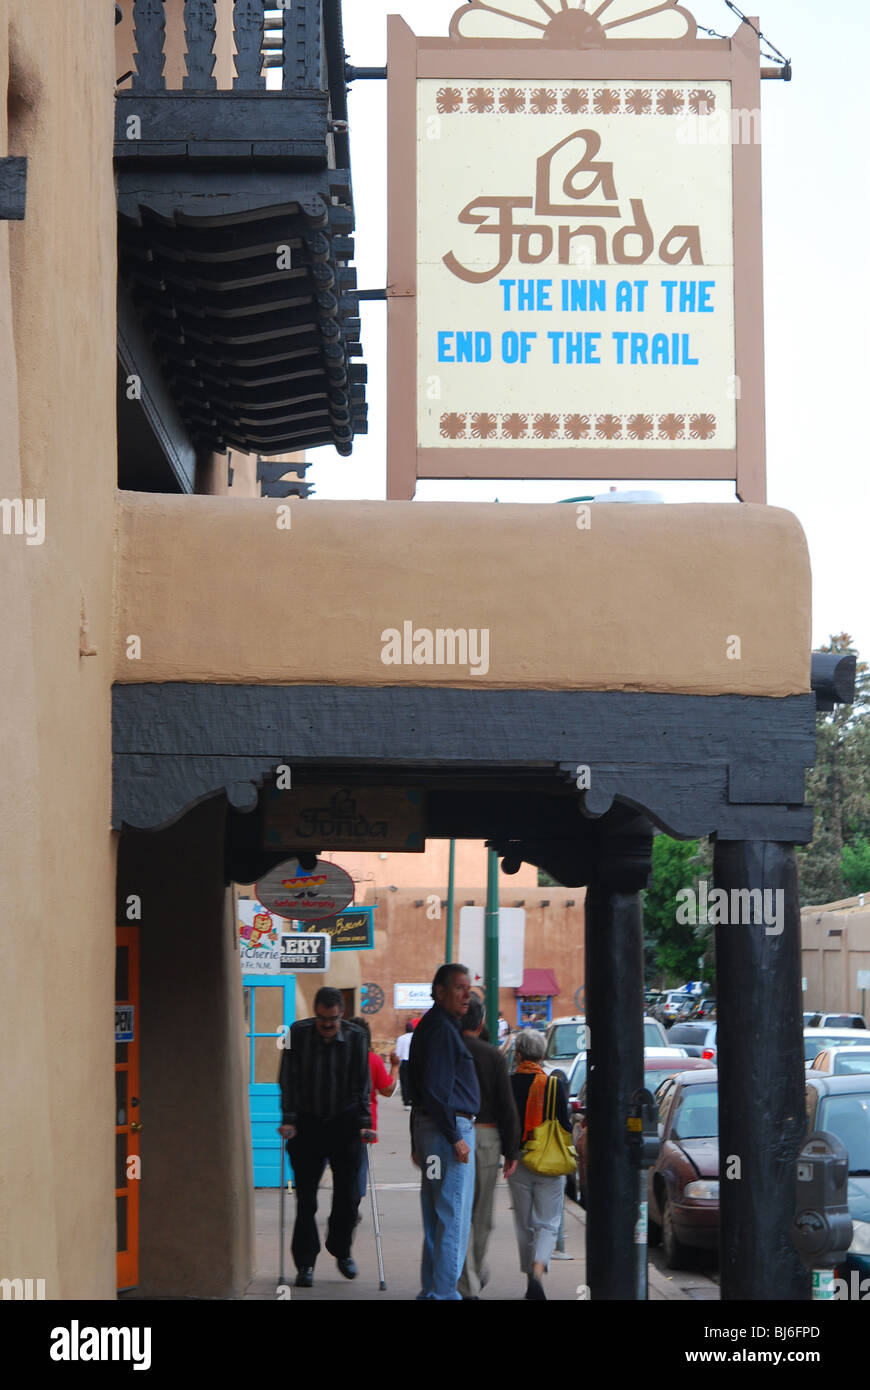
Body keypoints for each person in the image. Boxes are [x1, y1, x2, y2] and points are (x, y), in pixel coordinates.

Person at [277, 987, 373, 1288]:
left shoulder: (356, 1037)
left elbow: (362, 1083)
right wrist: (289, 1118)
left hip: (344, 1123)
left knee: (348, 1196)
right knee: (306, 1199)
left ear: (341, 1015)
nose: (326, 1026)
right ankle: (305, 1263)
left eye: (331, 1020)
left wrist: (364, 1122)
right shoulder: (298, 1033)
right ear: (315, 1013)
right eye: (321, 1019)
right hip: (307, 1123)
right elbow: (288, 1078)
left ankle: (340, 1248)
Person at [407, 963, 481, 1301]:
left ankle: (434, 1290)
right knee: (452, 1217)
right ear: (439, 991)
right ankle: (444, 1293)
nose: (467, 994)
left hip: (433, 1130)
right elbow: (435, 1089)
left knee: (439, 1215)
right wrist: (456, 1138)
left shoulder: (435, 1026)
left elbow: (418, 1086)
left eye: (469, 987)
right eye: (459, 988)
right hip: (446, 1130)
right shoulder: (440, 1029)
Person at [457, 997, 520, 1300]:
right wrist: (512, 1150)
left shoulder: (448, 1051)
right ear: (481, 1024)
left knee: (456, 1209)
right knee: (481, 1214)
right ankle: (471, 1278)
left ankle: (463, 1275)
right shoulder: (493, 1056)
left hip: (450, 1136)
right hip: (486, 1137)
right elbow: (507, 1107)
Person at [508, 1027, 572, 1300]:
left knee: (525, 1224)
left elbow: (505, 1124)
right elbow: (566, 1126)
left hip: (518, 1161)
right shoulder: (555, 1085)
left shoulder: (509, 1083)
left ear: (519, 1054)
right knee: (548, 1223)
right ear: (542, 1054)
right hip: (549, 1160)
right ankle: (537, 1272)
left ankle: (528, 1281)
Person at [351, 1015, 399, 1200]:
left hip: (337, 1120)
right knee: (360, 1165)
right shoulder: (373, 1060)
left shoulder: (337, 1056)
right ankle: (354, 1202)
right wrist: (395, 1067)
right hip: (365, 1122)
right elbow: (388, 1090)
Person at [395, 1020, 415, 1106]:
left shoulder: (401, 1038)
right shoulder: (416, 1037)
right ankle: (413, 1099)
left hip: (405, 1062)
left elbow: (398, 1053)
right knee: (414, 1081)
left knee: (404, 1082)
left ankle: (406, 1101)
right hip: (414, 1062)